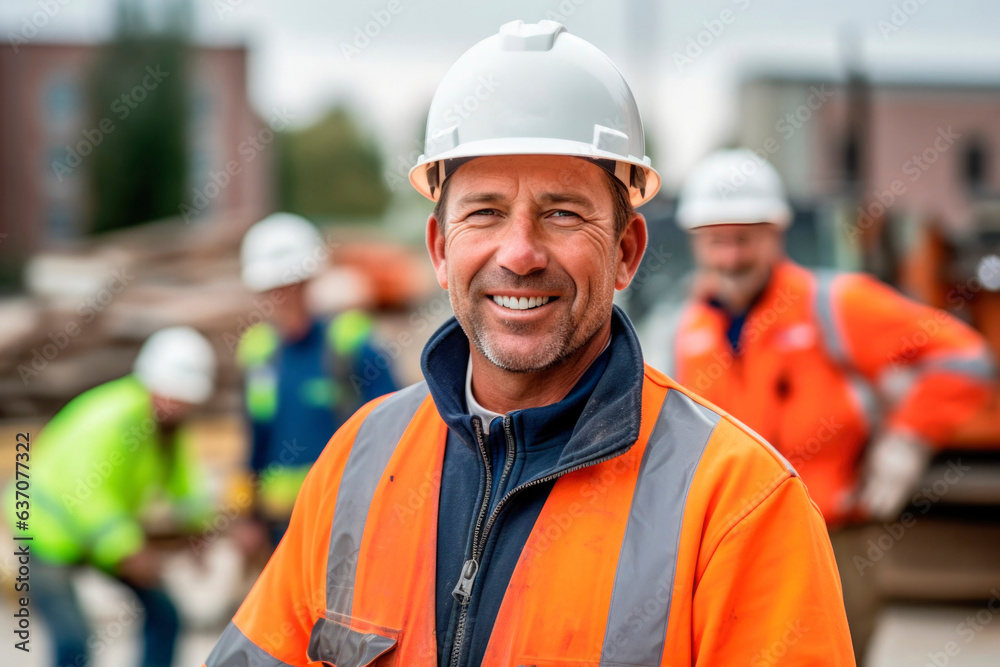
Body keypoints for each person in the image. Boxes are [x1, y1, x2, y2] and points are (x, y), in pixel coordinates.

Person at [204, 21, 854, 667]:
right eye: (484, 211)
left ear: (626, 253)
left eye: (562, 212)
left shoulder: (739, 502)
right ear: (439, 249)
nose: (519, 254)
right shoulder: (357, 464)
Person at [666, 148, 996, 660]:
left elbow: (966, 356)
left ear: (775, 233)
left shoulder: (839, 303)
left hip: (835, 540)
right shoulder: (689, 329)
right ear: (695, 242)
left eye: (744, 240)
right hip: (734, 543)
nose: (729, 257)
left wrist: (909, 437)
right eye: (716, 242)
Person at [6, 326, 217, 667]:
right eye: (174, 395)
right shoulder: (113, 419)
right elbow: (87, 494)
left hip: (92, 536)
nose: (178, 406)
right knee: (73, 641)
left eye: (185, 399)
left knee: (166, 616)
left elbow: (183, 483)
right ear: (152, 383)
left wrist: (200, 528)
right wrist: (129, 549)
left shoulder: (166, 429)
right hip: (43, 530)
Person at [236, 212, 399, 546]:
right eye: (274, 290)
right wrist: (247, 516)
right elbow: (256, 437)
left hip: (346, 521)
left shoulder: (350, 345)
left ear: (312, 282)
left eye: (293, 286)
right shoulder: (260, 354)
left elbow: (396, 431)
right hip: (281, 529)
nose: (283, 299)